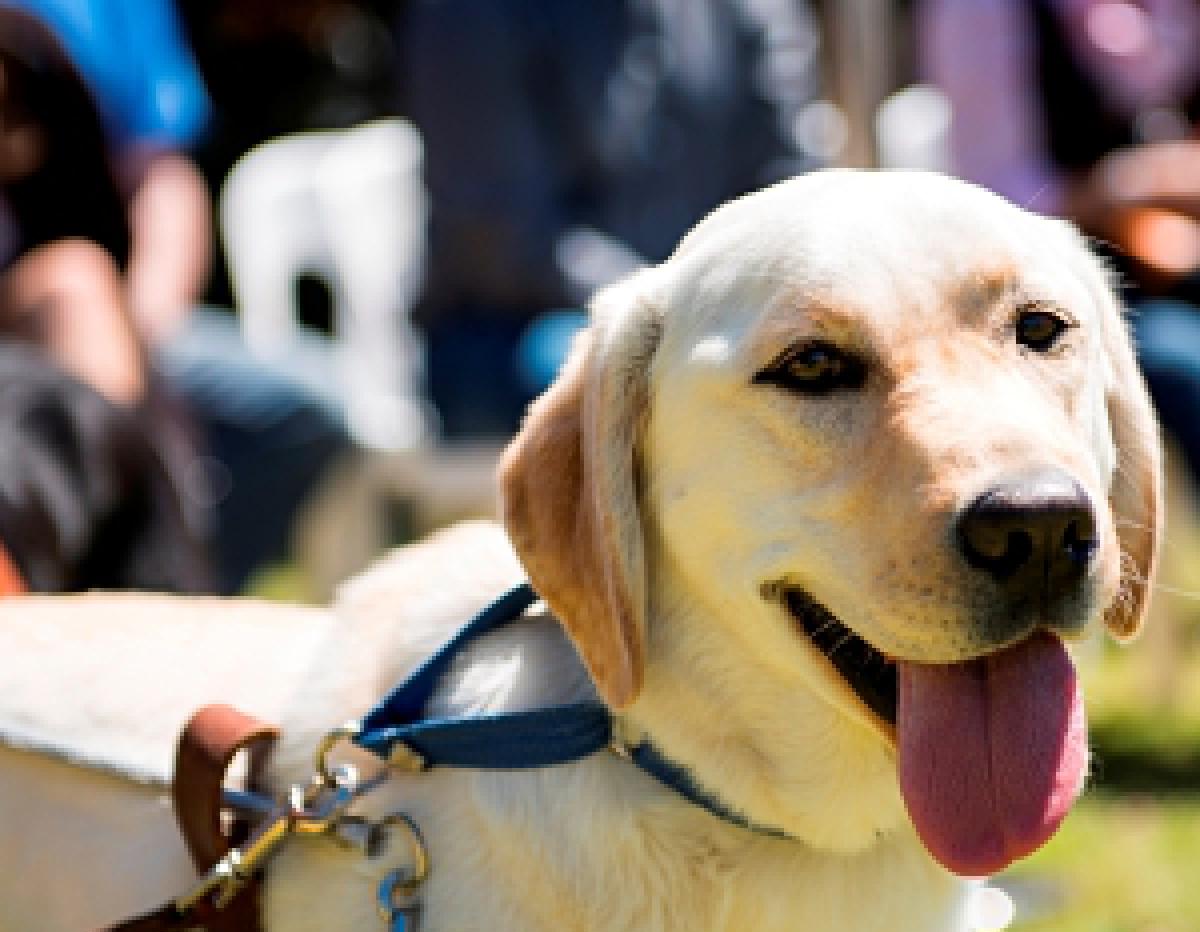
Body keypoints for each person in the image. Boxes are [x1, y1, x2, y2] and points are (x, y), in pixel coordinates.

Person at [0, 0, 353, 592]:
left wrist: (136, 321)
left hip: (122, 329)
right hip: (35, 333)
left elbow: (163, 178)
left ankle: (180, 591)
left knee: (307, 410)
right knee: (72, 289)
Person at [403, 0, 825, 437]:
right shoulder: (471, 12)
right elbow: (497, 235)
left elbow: (793, 192)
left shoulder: (748, 9)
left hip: (714, 324)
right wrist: (678, 309)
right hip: (522, 325)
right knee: (598, 381)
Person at [918, 0, 1200, 485]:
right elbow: (994, 196)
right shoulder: (982, 12)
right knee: (1182, 362)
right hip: (1079, 293)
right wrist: (1121, 191)